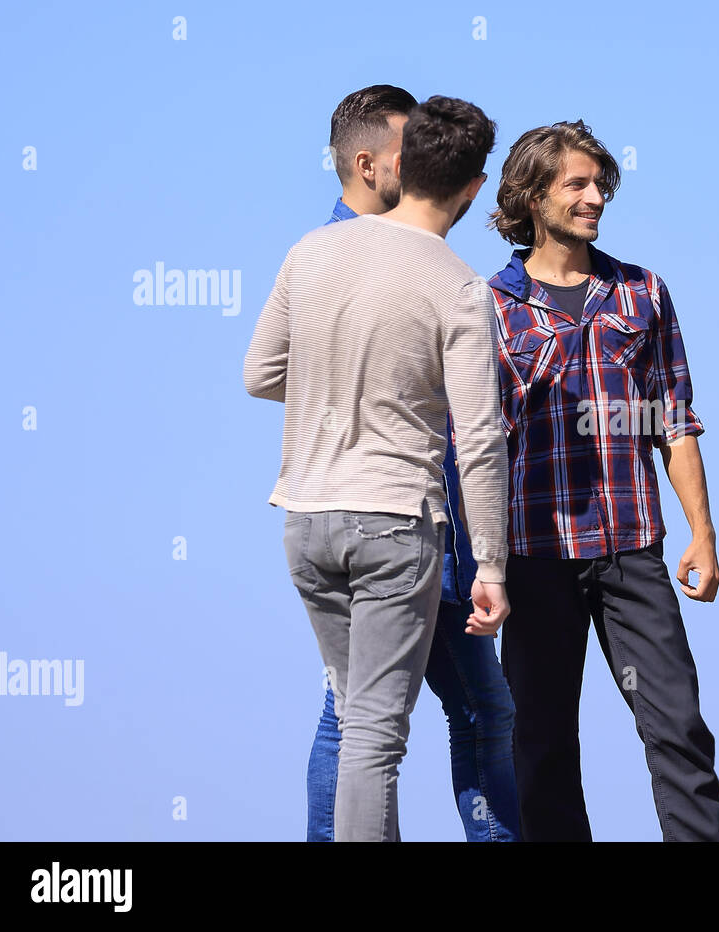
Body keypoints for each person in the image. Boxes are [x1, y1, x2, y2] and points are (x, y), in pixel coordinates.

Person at [244, 95, 511, 842]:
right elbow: (482, 437)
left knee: (353, 712)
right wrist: (490, 563)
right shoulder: (459, 284)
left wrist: (340, 381)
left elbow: (260, 373)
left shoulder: (310, 251)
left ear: (403, 163)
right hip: (394, 524)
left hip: (305, 521)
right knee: (374, 736)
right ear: (473, 188)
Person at [485, 120, 719, 842]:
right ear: (531, 196)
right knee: (543, 743)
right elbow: (472, 444)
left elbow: (675, 422)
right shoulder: (486, 306)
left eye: (600, 185)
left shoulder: (642, 293)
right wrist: (481, 563)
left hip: (631, 549)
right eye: (577, 185)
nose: (594, 198)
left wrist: (703, 535)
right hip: (532, 554)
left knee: (678, 725)